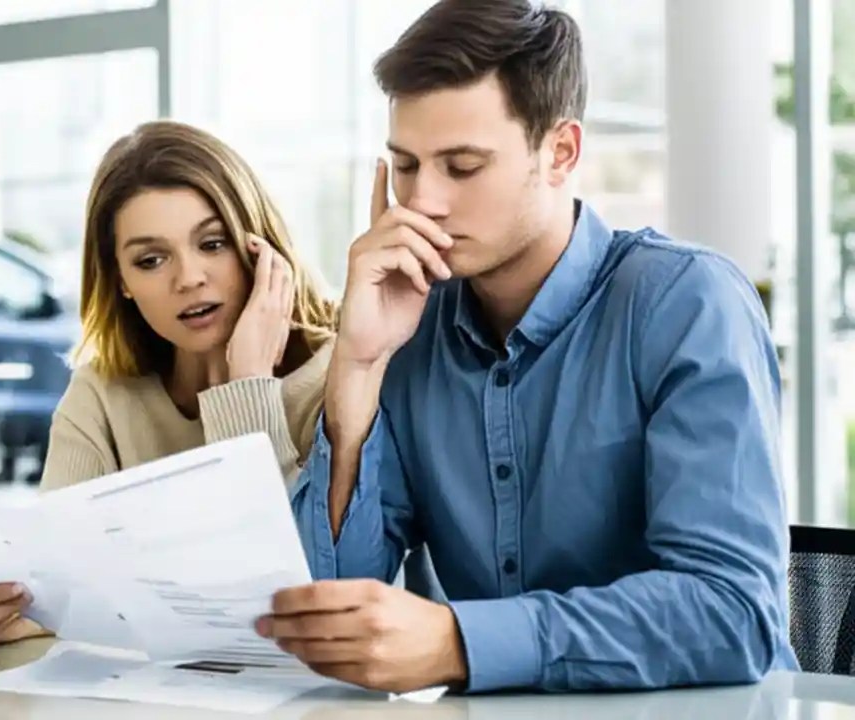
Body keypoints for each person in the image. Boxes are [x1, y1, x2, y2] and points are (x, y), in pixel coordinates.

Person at [256, 0, 797, 695]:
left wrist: (461, 642)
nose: (423, 201)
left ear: (560, 152)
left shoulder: (688, 305)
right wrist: (358, 366)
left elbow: (733, 614)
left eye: (462, 165)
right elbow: (326, 610)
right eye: (406, 166)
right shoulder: (408, 325)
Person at [0, 120, 339, 647]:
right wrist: (2, 611)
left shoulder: (340, 374)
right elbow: (67, 600)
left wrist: (247, 385)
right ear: (122, 282)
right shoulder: (103, 393)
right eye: (151, 260)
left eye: (213, 243)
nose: (189, 277)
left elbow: (291, 597)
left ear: (260, 248)